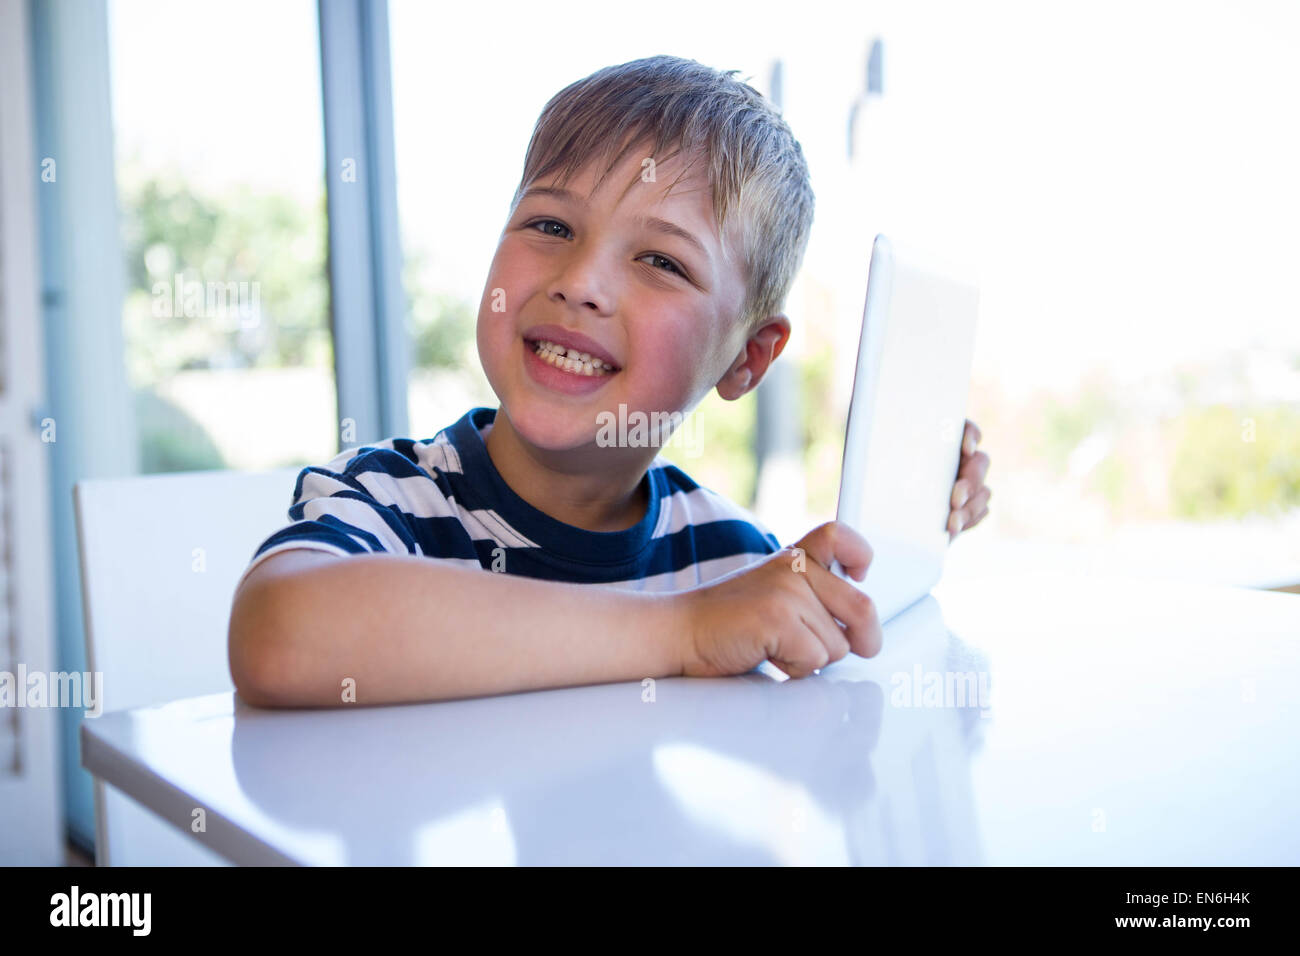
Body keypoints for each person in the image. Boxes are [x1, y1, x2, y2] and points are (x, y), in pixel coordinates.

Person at [227, 55, 992, 708]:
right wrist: (685, 628)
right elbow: (280, 640)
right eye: (551, 227)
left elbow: (852, 714)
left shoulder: (730, 557)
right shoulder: (389, 500)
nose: (580, 282)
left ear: (748, 359)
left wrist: (899, 533)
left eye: (661, 261)